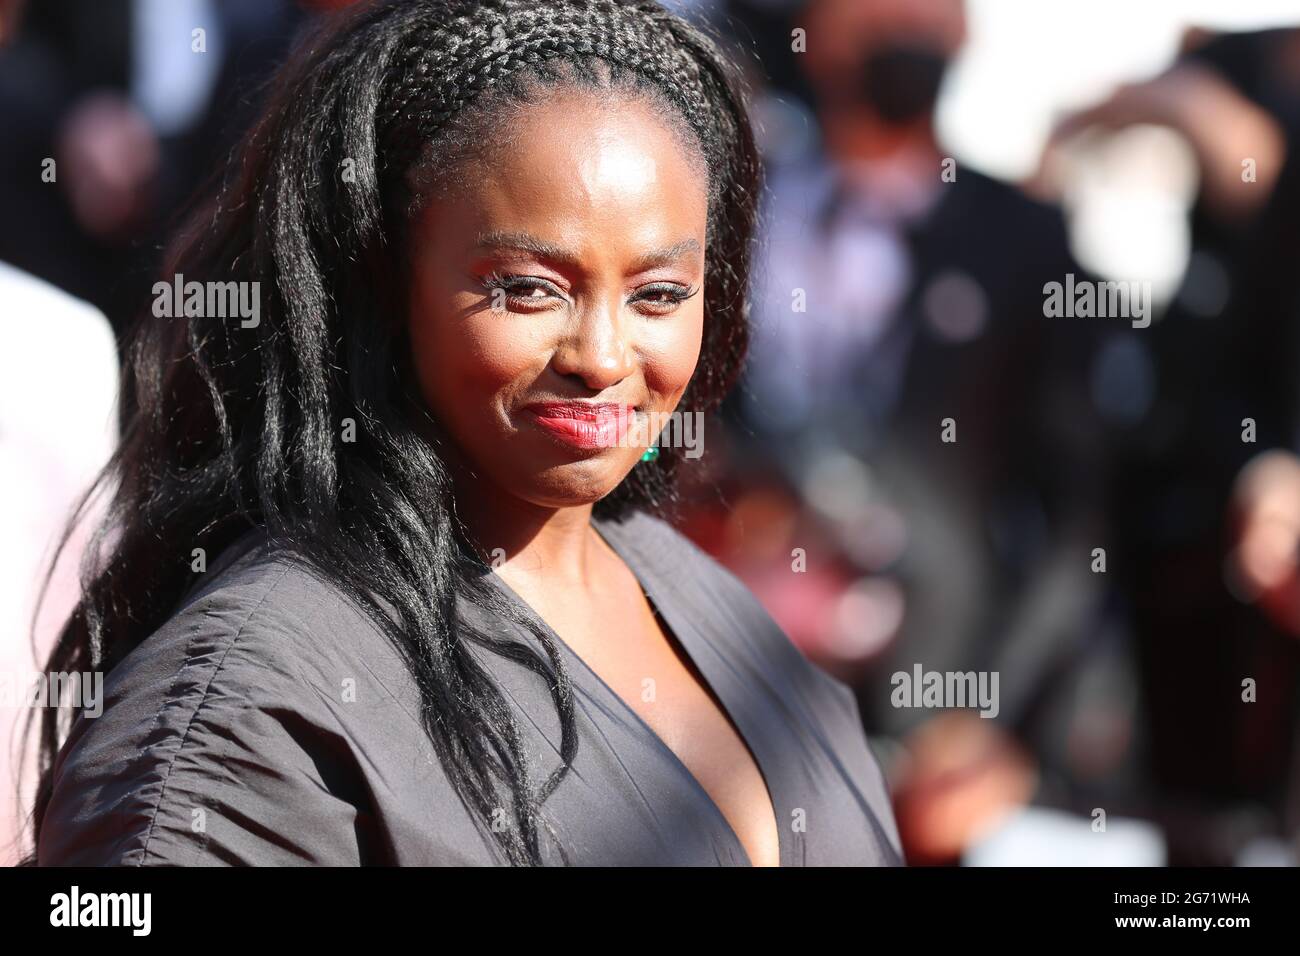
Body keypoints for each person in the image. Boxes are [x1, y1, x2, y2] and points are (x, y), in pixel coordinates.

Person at [23, 0, 902, 867]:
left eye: (659, 295)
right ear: (382, 282)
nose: (602, 357)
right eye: (528, 288)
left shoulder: (701, 594)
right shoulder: (245, 724)